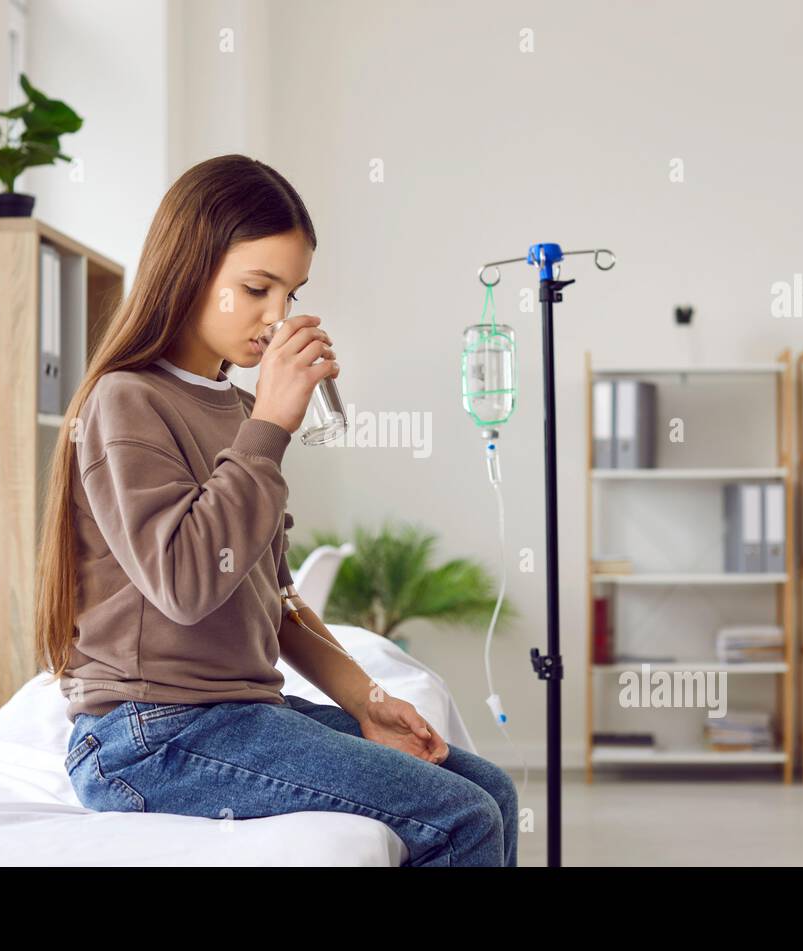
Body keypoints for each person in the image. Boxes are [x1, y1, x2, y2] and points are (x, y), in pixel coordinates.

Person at [35, 154, 517, 867]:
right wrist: (270, 428)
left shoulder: (233, 407)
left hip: (235, 716)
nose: (277, 317)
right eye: (257, 288)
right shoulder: (126, 401)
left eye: (290, 293)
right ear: (188, 271)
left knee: (490, 790)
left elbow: (276, 597)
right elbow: (186, 584)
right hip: (149, 735)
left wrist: (365, 697)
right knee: (459, 816)